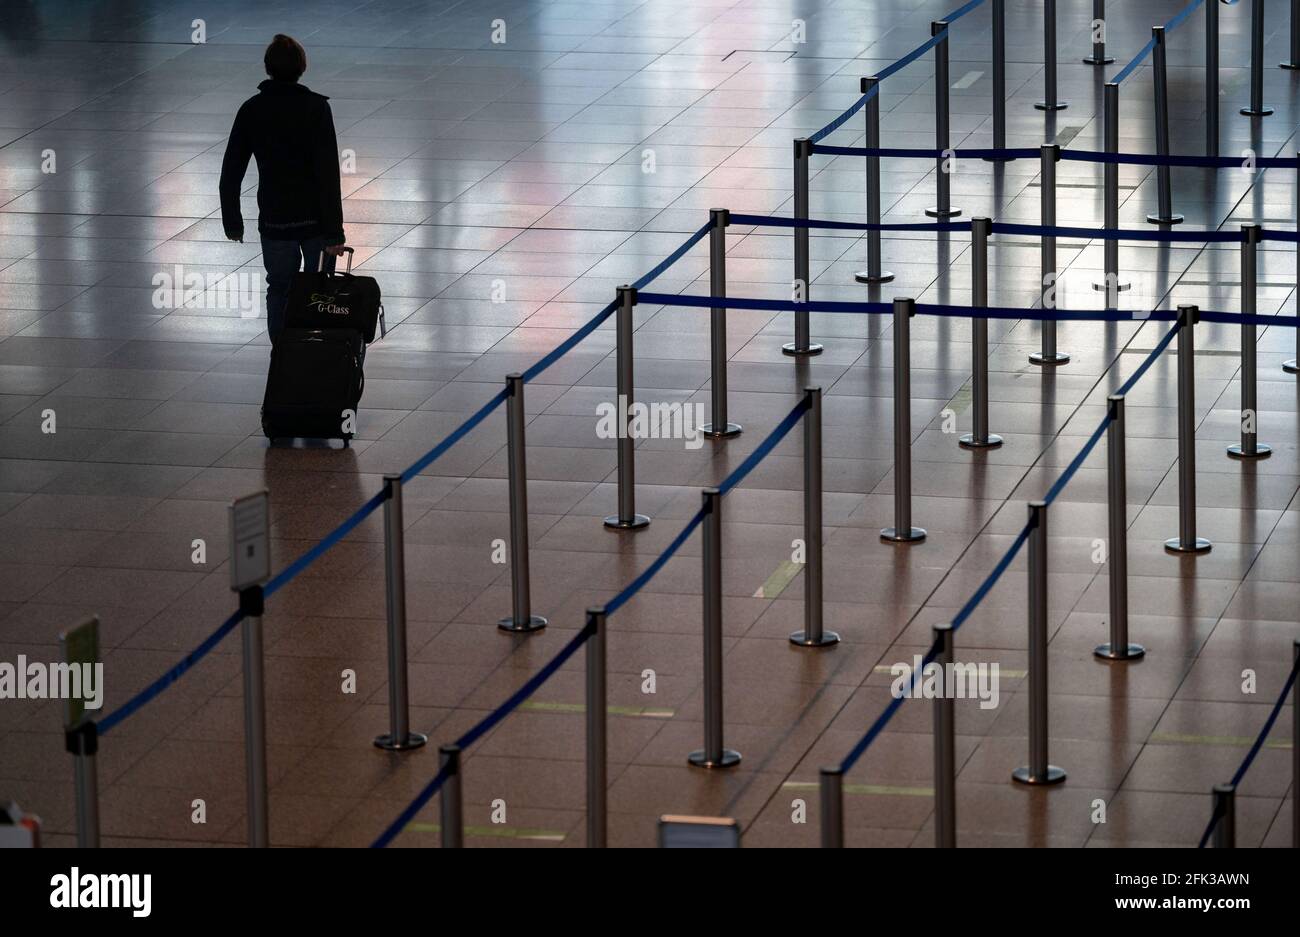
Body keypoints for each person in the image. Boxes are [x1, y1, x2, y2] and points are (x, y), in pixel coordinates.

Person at [220, 34, 346, 341]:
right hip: (315, 221)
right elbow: (328, 174)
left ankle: (283, 354)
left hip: (275, 219)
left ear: (267, 68)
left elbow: (232, 170)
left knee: (279, 287)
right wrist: (335, 232)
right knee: (318, 289)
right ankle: (315, 347)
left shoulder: (252, 109)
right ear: (302, 67)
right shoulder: (316, 108)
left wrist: (233, 223)